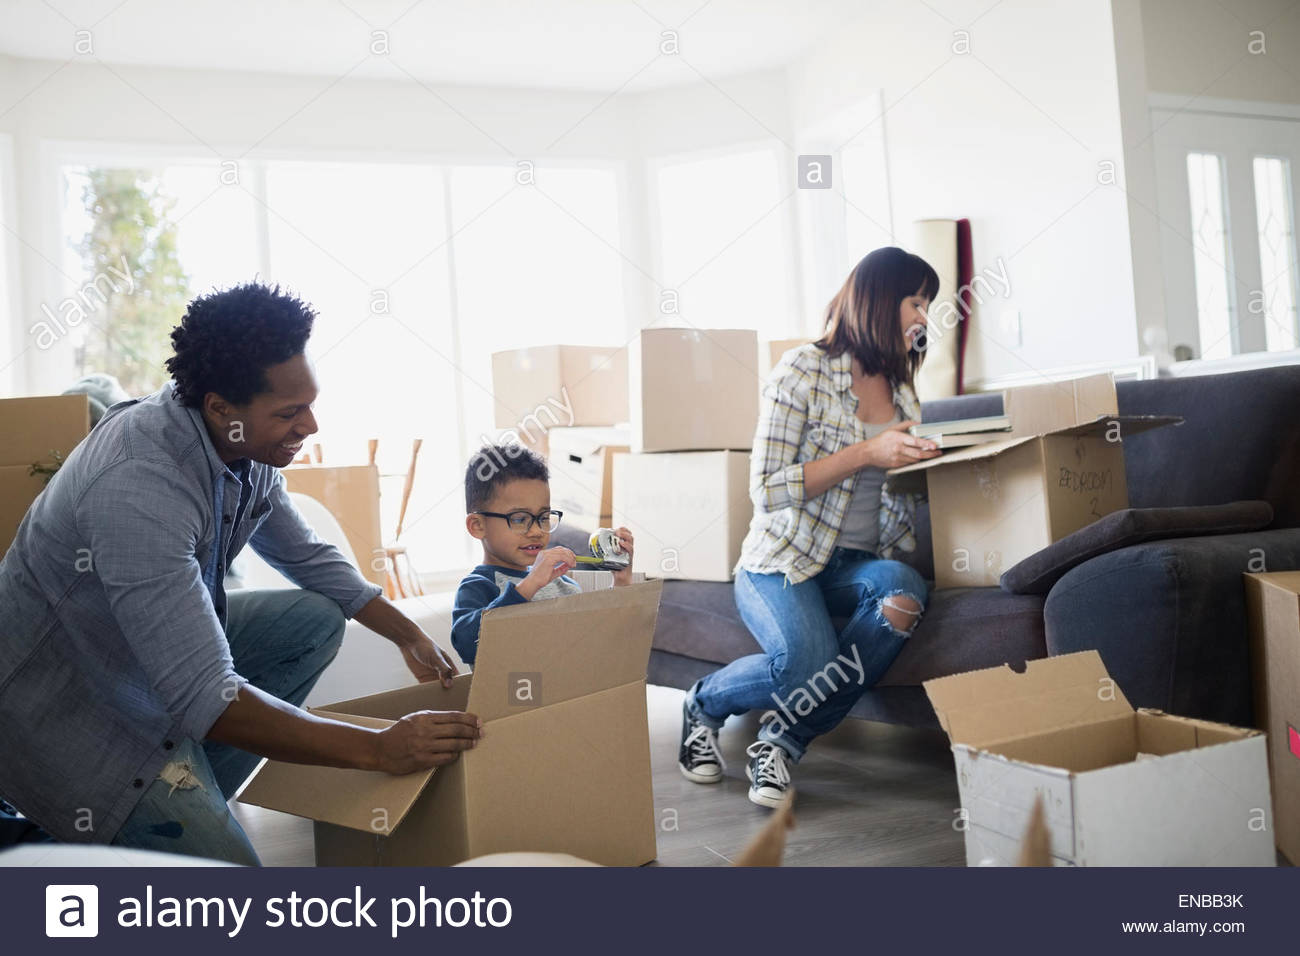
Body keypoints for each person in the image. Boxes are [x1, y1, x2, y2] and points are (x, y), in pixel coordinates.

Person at [0, 282, 482, 864]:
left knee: (311, 620)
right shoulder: (138, 484)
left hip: (144, 665)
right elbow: (209, 695)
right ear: (221, 407)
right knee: (231, 897)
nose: (310, 425)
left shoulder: (238, 448)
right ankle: (124, 817)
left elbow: (302, 554)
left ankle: (189, 789)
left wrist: (405, 632)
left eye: (308, 403)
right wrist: (381, 748)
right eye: (288, 412)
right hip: (72, 708)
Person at [678, 246, 943, 807]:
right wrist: (869, 451)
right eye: (916, 302)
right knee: (805, 665)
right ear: (878, 299)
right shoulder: (803, 369)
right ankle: (702, 703)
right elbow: (768, 487)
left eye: (928, 305)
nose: (924, 317)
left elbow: (900, 499)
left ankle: (781, 741)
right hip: (782, 560)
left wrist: (933, 464)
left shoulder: (904, 393)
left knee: (904, 595)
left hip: (854, 566)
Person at [451, 444, 635, 665]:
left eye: (544, 517)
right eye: (519, 519)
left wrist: (621, 580)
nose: (537, 531)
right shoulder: (478, 586)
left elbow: (600, 641)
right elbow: (466, 645)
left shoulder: (562, 584)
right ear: (477, 525)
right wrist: (530, 585)